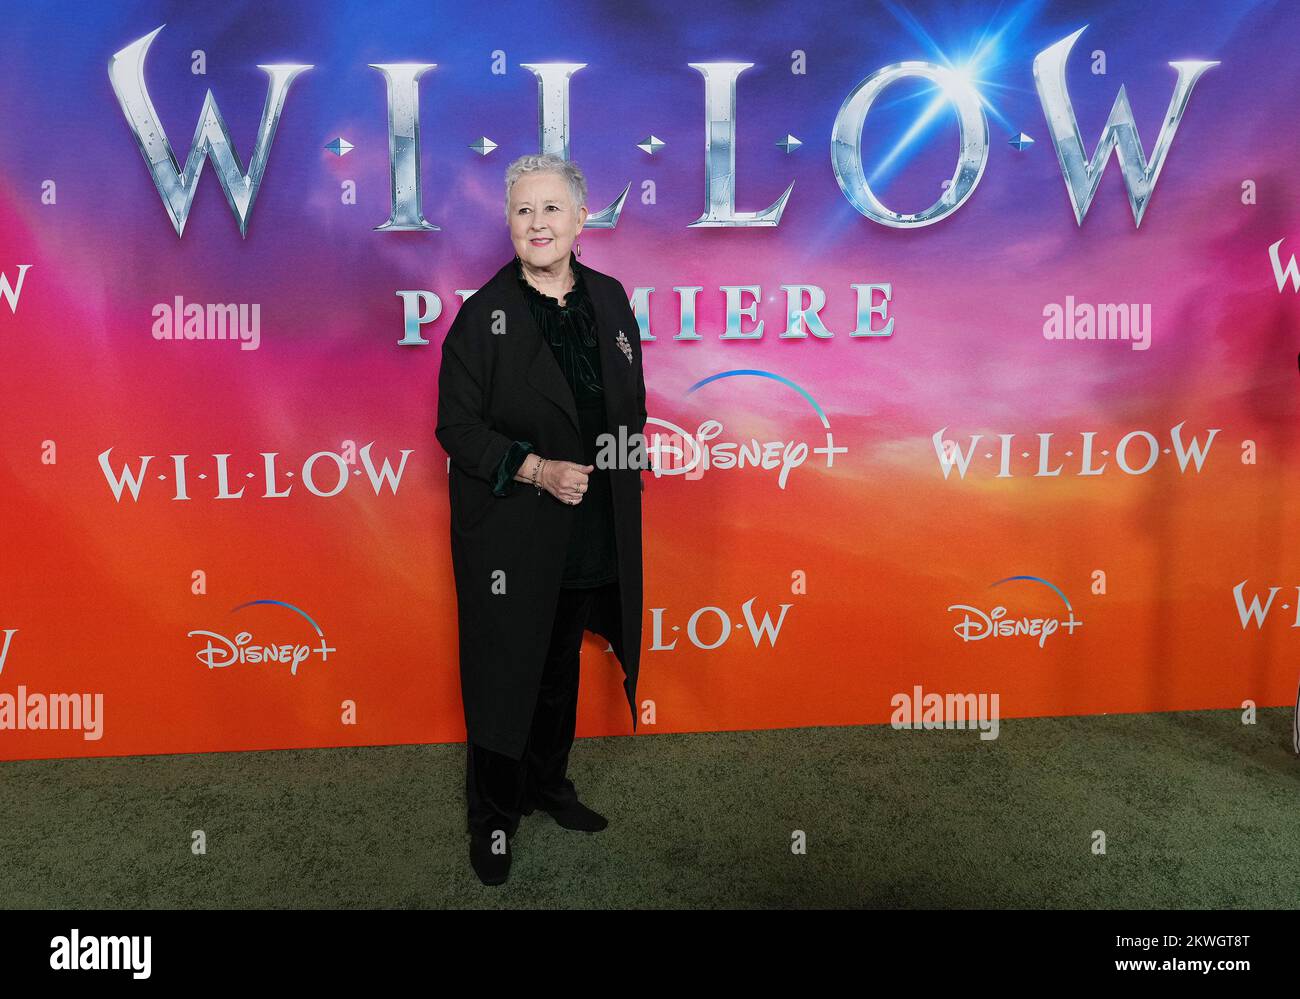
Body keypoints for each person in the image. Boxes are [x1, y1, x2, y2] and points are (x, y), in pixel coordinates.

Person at [435, 153, 649, 885]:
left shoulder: (613, 301)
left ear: (581, 220)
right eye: (524, 211)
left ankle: (548, 786)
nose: (538, 223)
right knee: (507, 673)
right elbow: (457, 431)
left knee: (559, 667)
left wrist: (624, 480)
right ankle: (492, 819)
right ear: (509, 223)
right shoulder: (483, 317)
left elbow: (632, 406)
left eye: (552, 209)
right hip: (512, 532)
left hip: (592, 526)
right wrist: (537, 470)